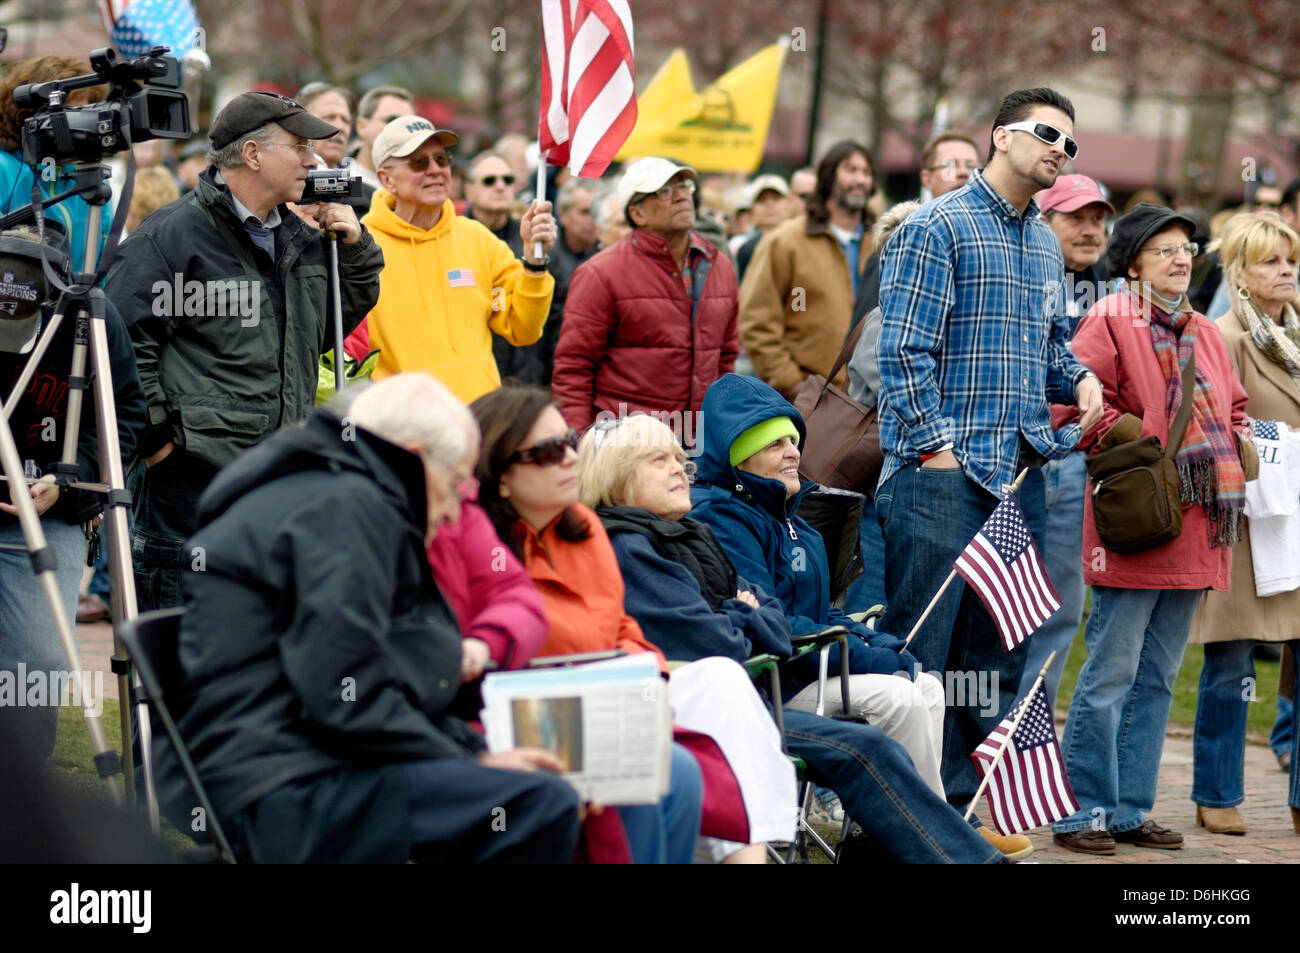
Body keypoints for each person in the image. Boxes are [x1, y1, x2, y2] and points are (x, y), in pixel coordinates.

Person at [164, 373, 580, 863]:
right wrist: (477, 757)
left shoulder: (323, 489)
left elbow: (363, 684)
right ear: (413, 453)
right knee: (542, 802)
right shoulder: (350, 507)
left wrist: (469, 751)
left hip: (278, 766)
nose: (452, 513)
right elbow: (347, 694)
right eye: (452, 487)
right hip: (288, 786)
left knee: (523, 793)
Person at [578, 412, 1007, 864]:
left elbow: (775, 624)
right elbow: (721, 642)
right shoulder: (629, 548)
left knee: (885, 728)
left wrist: (748, 616)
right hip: (708, 715)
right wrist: (744, 614)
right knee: (866, 743)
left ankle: (944, 855)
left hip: (754, 699)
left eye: (677, 456)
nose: (679, 468)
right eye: (656, 459)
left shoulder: (691, 536)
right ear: (618, 477)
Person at [875, 87, 1103, 860]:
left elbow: (1047, 345)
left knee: (989, 656)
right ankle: (898, 818)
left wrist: (1077, 378)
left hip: (1015, 478)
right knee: (918, 658)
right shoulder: (937, 225)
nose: (1060, 152)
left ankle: (964, 807)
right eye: (1048, 135)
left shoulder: (1043, 244)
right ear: (1001, 135)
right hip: (937, 478)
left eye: (1070, 145)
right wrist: (937, 447)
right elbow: (901, 352)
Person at [104, 90, 383, 610]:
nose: (313, 160)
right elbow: (121, 340)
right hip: (192, 484)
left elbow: (324, 330)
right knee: (184, 651)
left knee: (257, 646)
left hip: (278, 475)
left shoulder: (300, 236)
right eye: (299, 146)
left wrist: (356, 248)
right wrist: (159, 440)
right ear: (252, 155)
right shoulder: (172, 234)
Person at [1050, 204, 1254, 855]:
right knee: (1110, 670)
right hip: (1136, 517)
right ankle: (1083, 809)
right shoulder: (1109, 318)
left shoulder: (1208, 332)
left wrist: (1242, 442)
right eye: (1164, 249)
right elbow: (1071, 399)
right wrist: (1130, 432)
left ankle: (1132, 807)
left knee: (1160, 674)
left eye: (1186, 248)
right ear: (1132, 260)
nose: (1179, 258)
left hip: (1199, 519)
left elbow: (1236, 404)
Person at [469, 386, 709, 863]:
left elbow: (621, 626)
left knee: (680, 771)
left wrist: (651, 681)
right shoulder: (475, 546)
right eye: (547, 451)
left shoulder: (582, 527)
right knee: (651, 781)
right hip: (514, 727)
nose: (569, 460)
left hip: (604, 709)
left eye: (570, 444)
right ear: (500, 477)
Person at [688, 373, 947, 799]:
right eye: (775, 445)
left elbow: (823, 614)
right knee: (899, 697)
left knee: (928, 686)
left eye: (793, 441)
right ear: (739, 457)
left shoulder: (797, 523)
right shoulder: (721, 521)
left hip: (808, 672)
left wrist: (881, 645)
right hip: (765, 684)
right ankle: (926, 837)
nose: (793, 453)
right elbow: (772, 627)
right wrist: (866, 659)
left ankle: (903, 831)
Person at [0, 227, 145, 761]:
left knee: (38, 663)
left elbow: (124, 414)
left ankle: (21, 808)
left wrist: (66, 479)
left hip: (51, 509)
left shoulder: (94, 316)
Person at [1187, 211, 1300, 837]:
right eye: (1269, 262)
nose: (1285, 272)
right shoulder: (1223, 336)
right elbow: (1211, 427)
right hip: (1246, 520)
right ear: (1241, 274)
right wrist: (1277, 441)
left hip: (1299, 521)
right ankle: (1217, 790)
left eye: (1289, 260)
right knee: (1232, 665)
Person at [342, 116, 555, 403]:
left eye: (441, 159)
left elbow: (523, 329)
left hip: (477, 421)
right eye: (419, 162)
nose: (435, 170)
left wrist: (534, 263)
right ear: (386, 179)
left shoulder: (478, 238)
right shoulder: (361, 247)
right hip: (401, 426)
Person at [1016, 173, 1115, 709]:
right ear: (1044, 221)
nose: (1090, 229)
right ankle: (969, 737)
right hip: (1011, 459)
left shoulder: (1117, 296)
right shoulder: (1021, 279)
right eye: (1076, 217)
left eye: (1098, 218)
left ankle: (1023, 740)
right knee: (995, 606)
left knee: (1058, 606)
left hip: (1078, 466)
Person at [552, 157, 738, 433]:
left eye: (684, 186)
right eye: (664, 191)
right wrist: (580, 446)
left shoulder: (718, 264)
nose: (681, 196)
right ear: (637, 214)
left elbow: (725, 359)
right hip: (626, 444)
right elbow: (574, 369)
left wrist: (718, 432)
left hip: (698, 441)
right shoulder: (600, 273)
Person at [739, 141, 875, 399]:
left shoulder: (884, 243)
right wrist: (792, 384)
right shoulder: (786, 241)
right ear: (827, 178)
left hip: (869, 403)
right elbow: (756, 322)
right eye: (850, 170)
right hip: (806, 399)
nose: (860, 179)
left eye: (866, 172)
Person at [849, 132, 981, 331]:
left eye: (971, 166)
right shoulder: (899, 244)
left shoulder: (998, 243)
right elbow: (862, 340)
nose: (963, 172)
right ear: (926, 179)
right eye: (950, 165)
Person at [0, 56, 112, 273]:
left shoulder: (90, 182)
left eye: (88, 111)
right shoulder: (4, 169)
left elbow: (102, 268)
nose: (82, 127)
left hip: (75, 305)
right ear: (31, 115)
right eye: (71, 113)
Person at [494, 178, 599, 387]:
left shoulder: (603, 256)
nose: (592, 220)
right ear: (564, 215)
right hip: (536, 374)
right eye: (584, 212)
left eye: (596, 213)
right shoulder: (541, 253)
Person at [295, 82, 373, 216]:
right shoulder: (279, 189)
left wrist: (359, 235)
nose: (340, 127)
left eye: (346, 121)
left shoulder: (369, 197)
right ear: (301, 123)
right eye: (329, 117)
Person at [350, 85, 415, 189]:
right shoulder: (337, 182)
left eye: (409, 125)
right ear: (361, 126)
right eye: (391, 120)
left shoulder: (418, 186)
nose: (402, 130)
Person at [733, 174, 791, 283]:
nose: (769, 204)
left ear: (789, 203)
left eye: (776, 198)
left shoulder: (799, 243)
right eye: (762, 200)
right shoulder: (745, 250)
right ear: (751, 209)